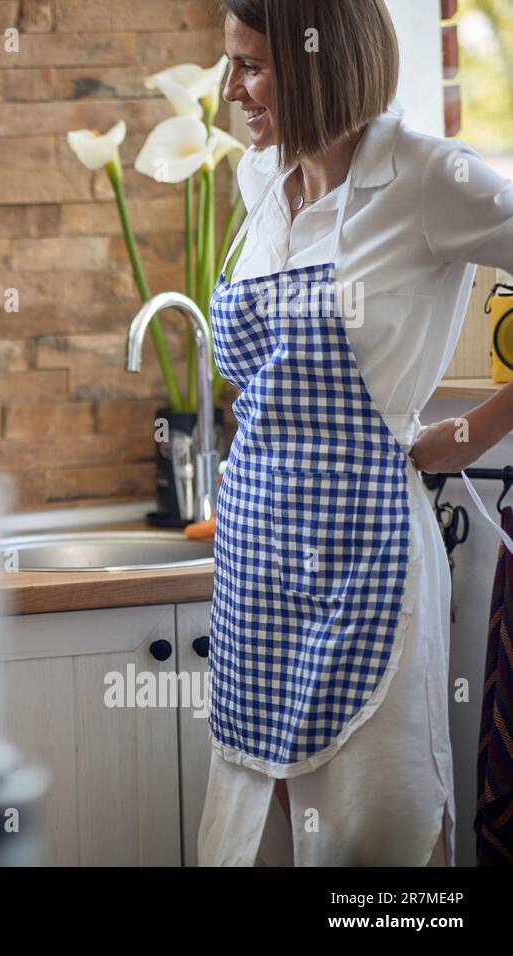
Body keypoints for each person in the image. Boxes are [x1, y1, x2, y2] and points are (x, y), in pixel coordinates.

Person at [200, 0, 513, 866]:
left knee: (376, 845)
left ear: (321, 63)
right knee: (246, 844)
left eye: (253, 67)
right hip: (258, 573)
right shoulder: (260, 181)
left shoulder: (425, 177)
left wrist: (475, 431)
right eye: (233, 64)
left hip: (366, 564)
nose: (234, 91)